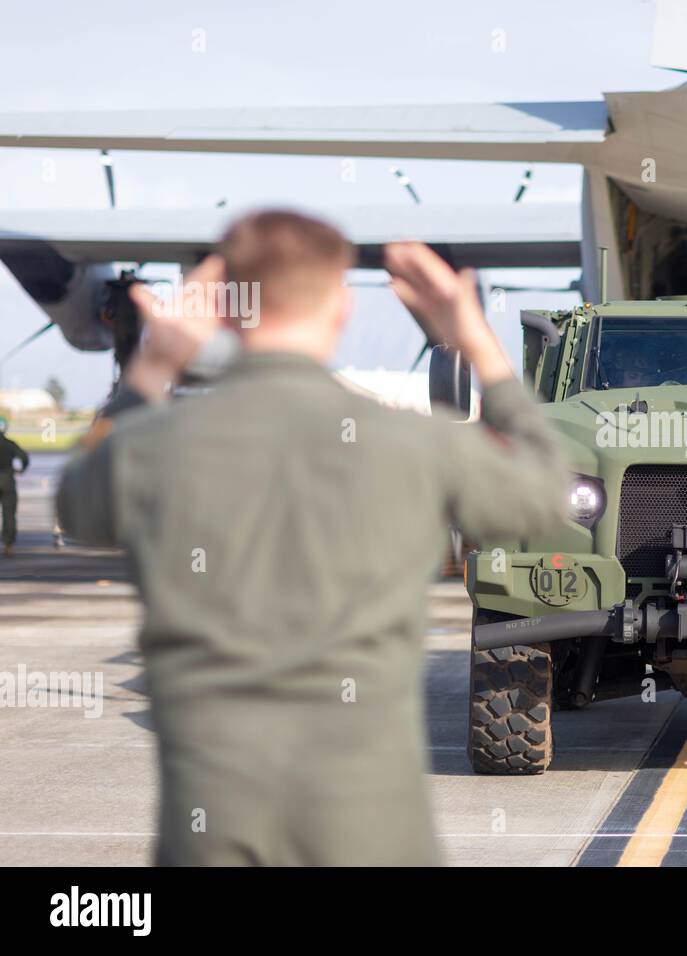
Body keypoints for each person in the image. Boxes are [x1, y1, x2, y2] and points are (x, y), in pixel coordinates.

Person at [57, 210, 571, 865]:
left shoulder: (150, 447)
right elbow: (545, 488)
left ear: (223, 309)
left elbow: (78, 507)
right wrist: (475, 338)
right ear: (342, 306)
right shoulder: (415, 444)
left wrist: (153, 361)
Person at [0, 415, 30, 556]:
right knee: (9, 514)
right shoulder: (11, 444)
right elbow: (24, 458)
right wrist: (21, 469)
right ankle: (8, 545)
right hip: (7, 480)